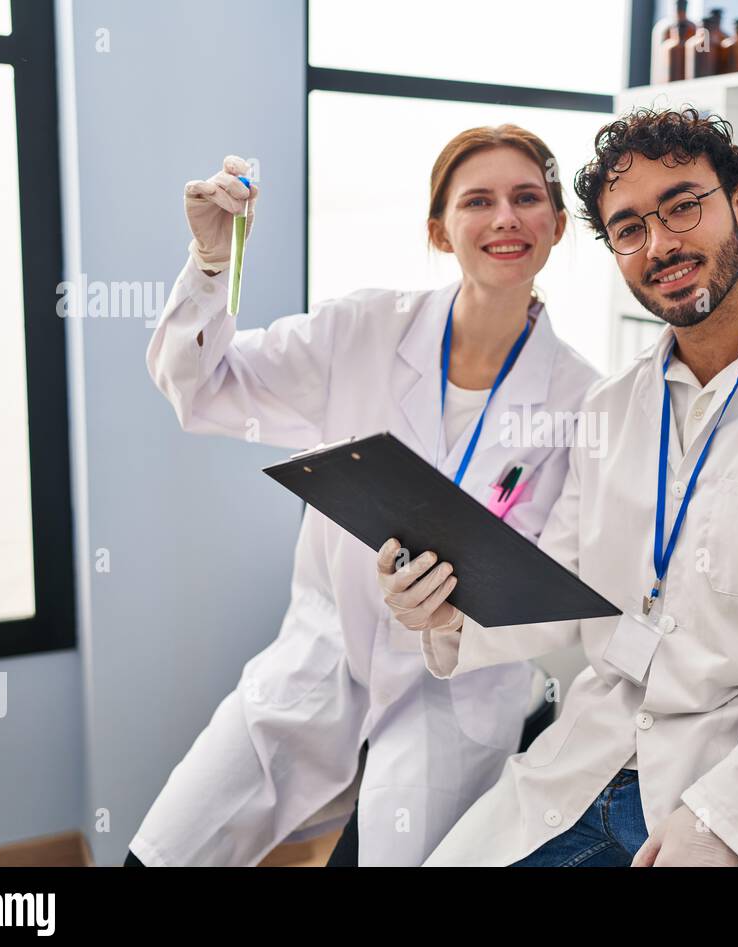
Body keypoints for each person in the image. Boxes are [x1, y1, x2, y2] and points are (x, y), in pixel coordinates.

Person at [378, 108, 738, 867]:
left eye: (682, 206)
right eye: (630, 227)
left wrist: (726, 823)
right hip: (588, 767)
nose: (661, 244)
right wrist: (447, 614)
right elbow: (562, 583)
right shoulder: (613, 406)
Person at [129, 125, 600, 866]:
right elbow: (205, 392)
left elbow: (563, 592)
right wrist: (213, 261)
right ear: (439, 231)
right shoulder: (364, 330)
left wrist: (454, 616)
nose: (506, 217)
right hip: (322, 654)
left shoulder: (586, 402)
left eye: (527, 198)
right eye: (478, 200)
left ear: (557, 227)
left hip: (459, 690)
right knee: (167, 851)